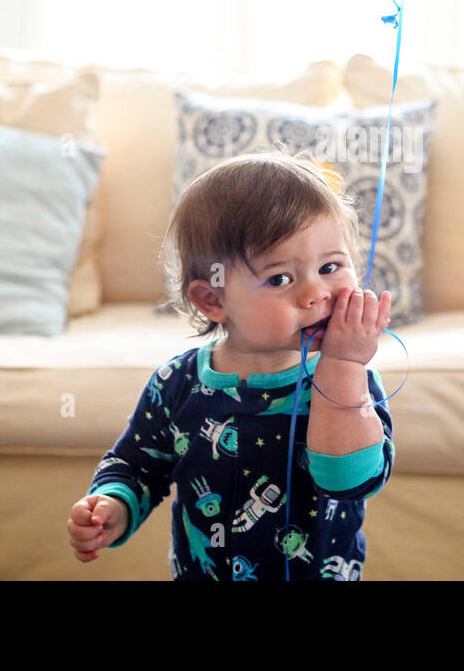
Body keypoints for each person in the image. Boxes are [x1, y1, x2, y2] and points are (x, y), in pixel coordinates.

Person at [66, 149, 395, 580]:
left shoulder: (350, 380)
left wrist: (344, 366)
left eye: (331, 266)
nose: (316, 293)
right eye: (279, 278)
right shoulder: (176, 383)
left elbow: (349, 480)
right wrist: (114, 504)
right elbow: (136, 464)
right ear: (213, 299)